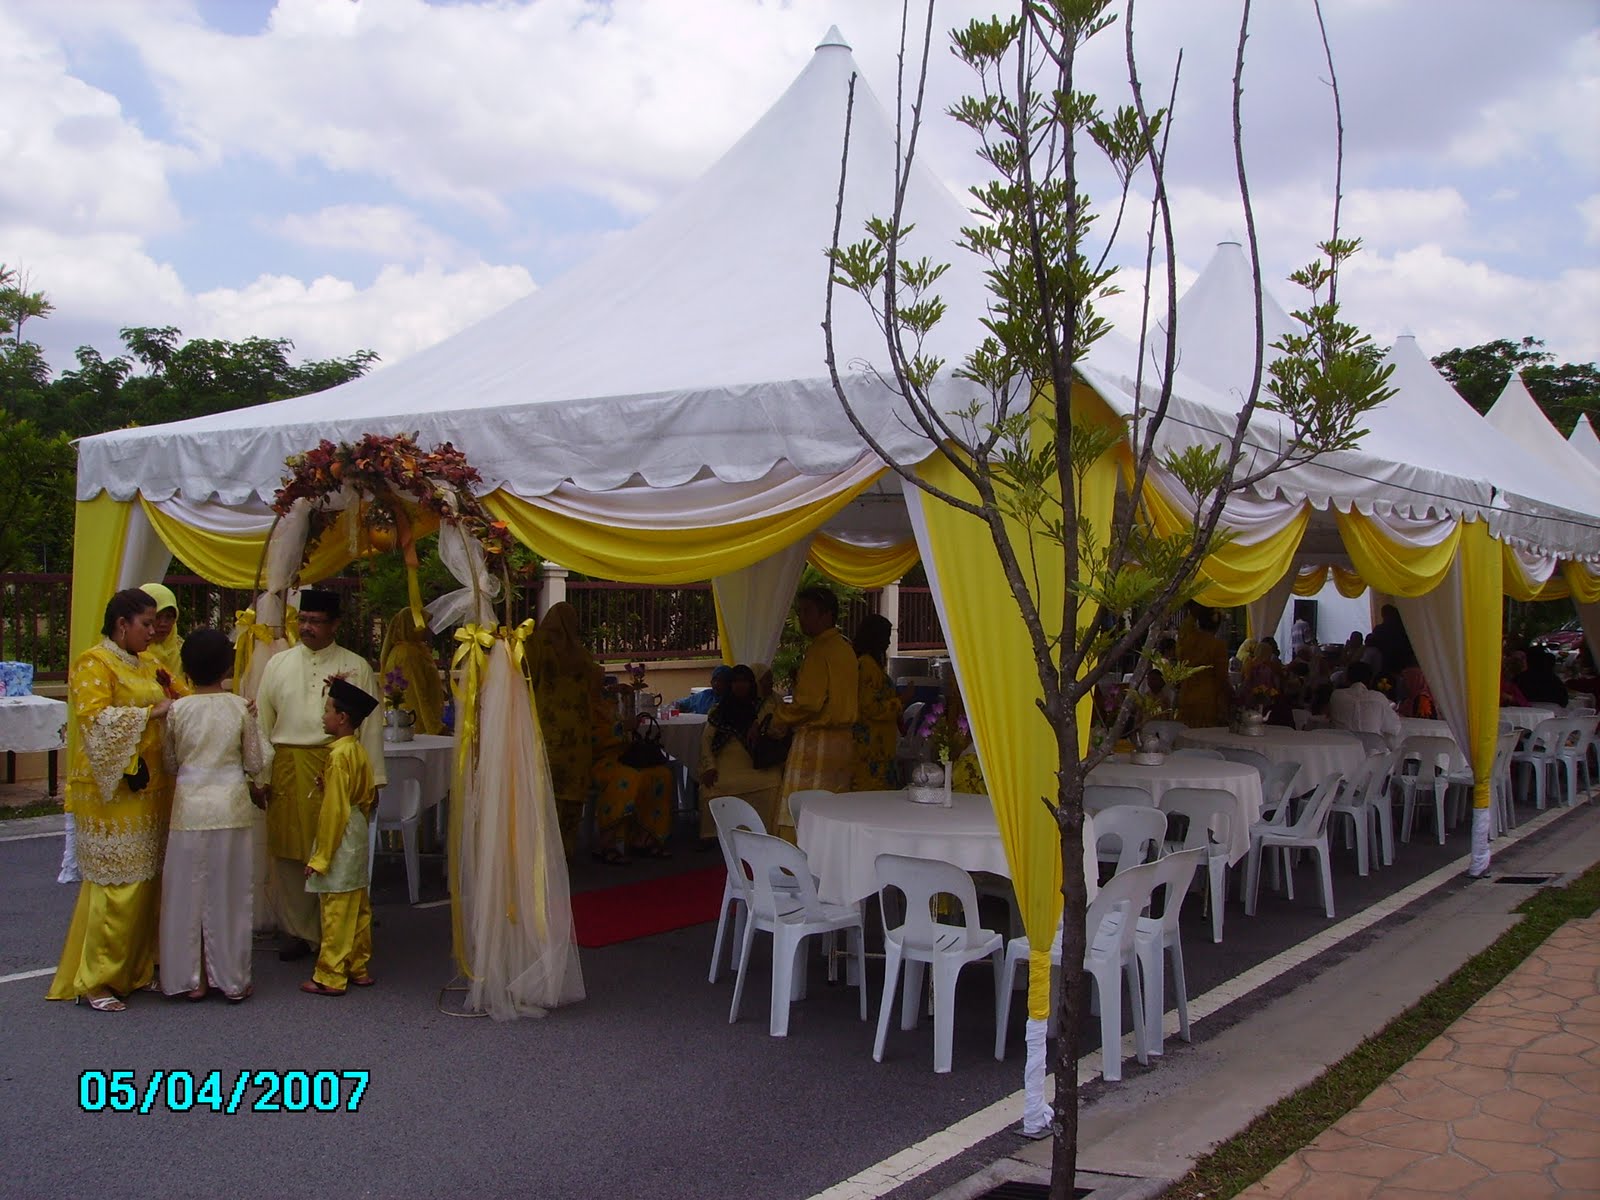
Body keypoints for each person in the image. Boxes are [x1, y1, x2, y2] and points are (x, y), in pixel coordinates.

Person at [47, 588, 174, 1011]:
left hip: (151, 788)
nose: (154, 630)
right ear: (122, 624)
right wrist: (149, 714)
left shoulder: (151, 663)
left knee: (147, 882)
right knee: (117, 884)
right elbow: (94, 720)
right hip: (111, 793)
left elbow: (181, 698)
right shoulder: (93, 663)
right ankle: (97, 979)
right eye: (146, 622)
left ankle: (136, 969)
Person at [251, 589, 385, 962]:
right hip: (287, 763)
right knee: (290, 851)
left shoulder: (355, 665)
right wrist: (259, 775)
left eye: (315, 621)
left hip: (336, 767)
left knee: (332, 849)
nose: (307, 628)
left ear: (335, 625)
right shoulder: (278, 664)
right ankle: (296, 929)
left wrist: (372, 782)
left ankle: (332, 932)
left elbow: (371, 730)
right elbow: (262, 721)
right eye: (302, 620)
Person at [159, 628, 264, 1003]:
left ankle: (191, 978)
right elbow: (255, 761)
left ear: (185, 668)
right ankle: (232, 979)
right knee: (230, 893)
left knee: (187, 893)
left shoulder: (177, 709)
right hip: (231, 807)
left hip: (189, 806)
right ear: (226, 666)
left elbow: (170, 763)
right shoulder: (239, 707)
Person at [301, 677, 379, 996]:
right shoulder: (357, 751)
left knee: (335, 908)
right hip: (358, 831)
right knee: (358, 906)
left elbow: (335, 810)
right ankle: (358, 965)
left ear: (342, 718)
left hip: (342, 836)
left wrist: (320, 859)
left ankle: (330, 974)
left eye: (327, 710)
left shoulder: (336, 756)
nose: (323, 717)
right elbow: (368, 795)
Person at [772, 586, 859, 840]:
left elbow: (809, 703)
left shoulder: (820, 650)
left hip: (816, 742)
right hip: (843, 744)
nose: (802, 618)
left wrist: (779, 719)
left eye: (807, 612)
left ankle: (795, 867)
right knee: (836, 808)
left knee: (801, 809)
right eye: (800, 612)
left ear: (827, 615)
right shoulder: (846, 649)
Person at [527, 600, 604, 856]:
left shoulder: (537, 647)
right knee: (572, 794)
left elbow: (527, 679)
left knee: (548, 793)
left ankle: (543, 852)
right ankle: (565, 851)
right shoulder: (580, 654)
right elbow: (595, 685)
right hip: (579, 734)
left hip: (548, 730)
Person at [591, 687, 675, 863]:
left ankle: (645, 838)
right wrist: (619, 729)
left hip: (625, 756)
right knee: (628, 778)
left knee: (661, 774)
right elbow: (589, 737)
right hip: (601, 760)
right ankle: (608, 843)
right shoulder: (583, 706)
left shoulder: (614, 703)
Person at [697, 664, 783, 836]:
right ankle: (713, 834)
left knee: (774, 780)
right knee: (712, 785)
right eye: (736, 681)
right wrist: (710, 766)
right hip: (724, 762)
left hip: (754, 762)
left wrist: (759, 725)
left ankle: (764, 830)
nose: (740, 685)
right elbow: (706, 740)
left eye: (745, 681)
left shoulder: (761, 709)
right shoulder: (719, 710)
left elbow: (778, 731)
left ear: (752, 684)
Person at [850, 614, 904, 789]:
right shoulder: (866, 665)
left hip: (880, 747)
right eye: (886, 637)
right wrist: (900, 701)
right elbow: (870, 707)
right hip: (871, 750)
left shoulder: (872, 664)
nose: (889, 643)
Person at [378, 607, 446, 735]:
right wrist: (435, 728)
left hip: (409, 725)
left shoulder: (414, 649)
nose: (426, 628)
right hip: (415, 727)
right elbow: (416, 694)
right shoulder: (408, 654)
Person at [1175, 605, 1232, 728]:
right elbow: (1221, 677)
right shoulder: (1218, 646)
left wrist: (1193, 613)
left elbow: (1184, 628)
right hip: (1207, 699)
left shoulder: (1187, 641)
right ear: (1217, 626)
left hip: (1185, 696)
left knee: (1185, 733)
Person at [1327, 661, 1401, 745]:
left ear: (1347, 679)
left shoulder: (1336, 696)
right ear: (1371, 680)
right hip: (1373, 752)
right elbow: (1394, 728)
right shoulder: (1379, 698)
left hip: (1342, 750)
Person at [139, 581, 191, 694]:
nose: (163, 623)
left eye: (169, 617)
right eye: (157, 616)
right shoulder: (131, 653)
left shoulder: (184, 650)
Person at [1368, 604, 1417, 677]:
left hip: (1388, 663)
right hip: (1404, 663)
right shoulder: (1405, 628)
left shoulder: (1380, 629)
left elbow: (1372, 643)